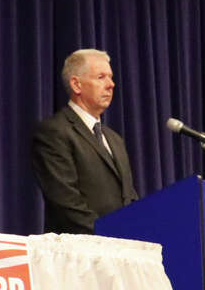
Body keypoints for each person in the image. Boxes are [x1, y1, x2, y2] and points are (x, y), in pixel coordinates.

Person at [31, 49, 137, 234]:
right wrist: (110, 234)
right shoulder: (54, 132)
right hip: (80, 252)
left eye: (111, 77)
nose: (111, 84)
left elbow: (129, 197)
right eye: (101, 77)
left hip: (122, 251)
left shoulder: (114, 139)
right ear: (76, 85)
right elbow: (66, 201)